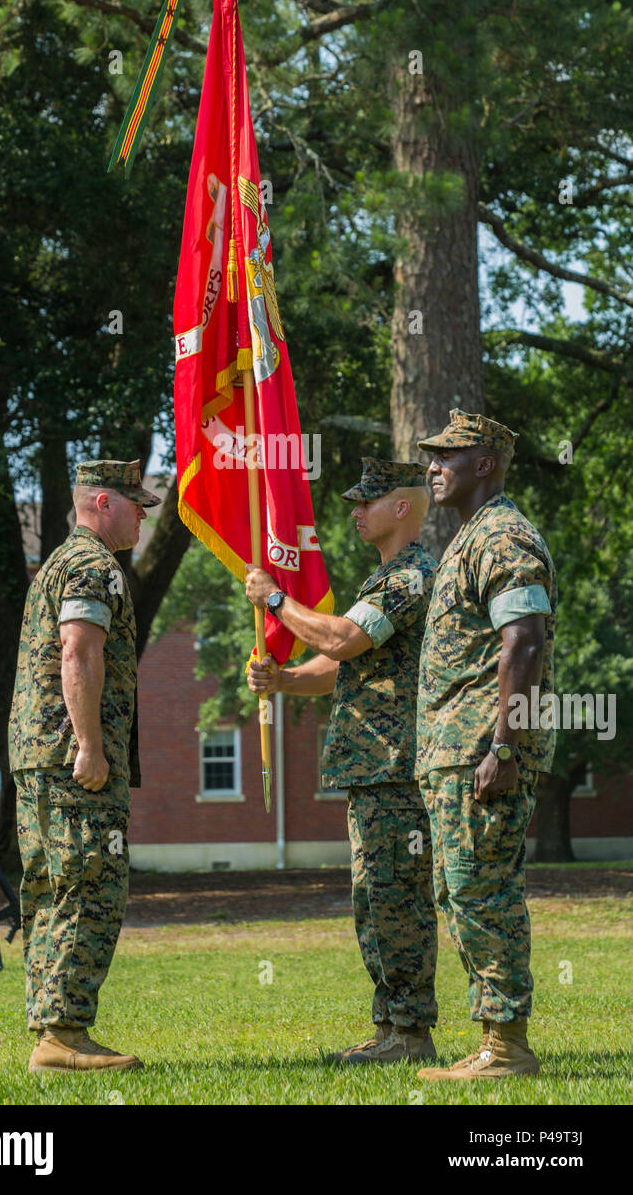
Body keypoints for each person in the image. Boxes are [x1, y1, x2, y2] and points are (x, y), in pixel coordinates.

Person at [246, 459, 438, 1064]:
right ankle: (391, 1029)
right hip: (373, 770)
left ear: (402, 507)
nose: (355, 512)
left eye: (367, 502)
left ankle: (410, 1034)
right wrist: (282, 679)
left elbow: (341, 641)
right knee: (375, 899)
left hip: (396, 769)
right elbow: (336, 667)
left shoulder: (411, 576)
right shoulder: (382, 579)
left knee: (396, 898)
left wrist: (275, 598)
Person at [413, 409, 557, 1082]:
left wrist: (503, 743)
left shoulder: (502, 535)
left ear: (486, 463)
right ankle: (494, 1040)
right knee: (460, 891)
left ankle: (507, 1046)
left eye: (448, 455)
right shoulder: (470, 537)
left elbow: (524, 638)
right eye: (430, 456)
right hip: (456, 751)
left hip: (481, 749)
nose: (432, 466)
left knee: (481, 892)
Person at [8, 459, 160, 1074]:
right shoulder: (93, 566)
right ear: (103, 502)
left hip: (39, 756)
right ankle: (63, 1036)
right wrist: (92, 745)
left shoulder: (61, 562)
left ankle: (54, 1031)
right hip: (72, 761)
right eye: (135, 505)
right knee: (89, 884)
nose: (144, 516)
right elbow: (79, 648)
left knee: (52, 887)